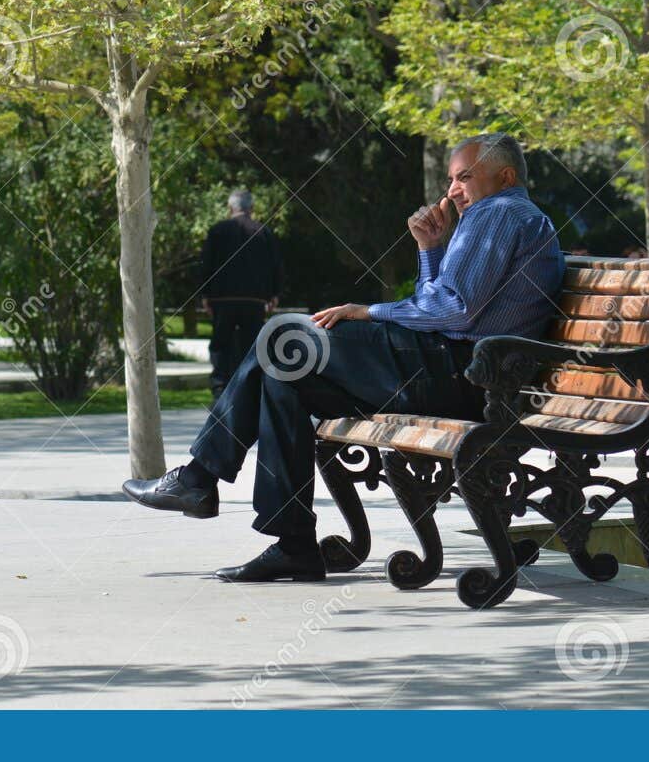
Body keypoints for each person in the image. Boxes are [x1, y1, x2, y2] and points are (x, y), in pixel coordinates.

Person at [123, 132, 566, 583]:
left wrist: (368, 312)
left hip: (462, 371)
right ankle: (293, 545)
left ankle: (198, 479)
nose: (453, 190)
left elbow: (455, 309)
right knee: (284, 376)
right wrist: (430, 250)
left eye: (464, 177)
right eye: (452, 179)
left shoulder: (500, 212)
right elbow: (445, 302)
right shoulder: (499, 216)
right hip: (457, 370)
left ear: (505, 176)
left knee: (282, 338)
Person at [198, 189, 284, 397]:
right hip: (253, 299)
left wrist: (205, 294)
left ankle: (220, 385)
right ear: (251, 209)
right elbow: (275, 265)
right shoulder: (263, 231)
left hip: (222, 297)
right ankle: (250, 383)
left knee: (221, 342)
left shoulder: (218, 230)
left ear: (230, 208)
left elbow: (206, 263)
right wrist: (274, 293)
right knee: (252, 343)